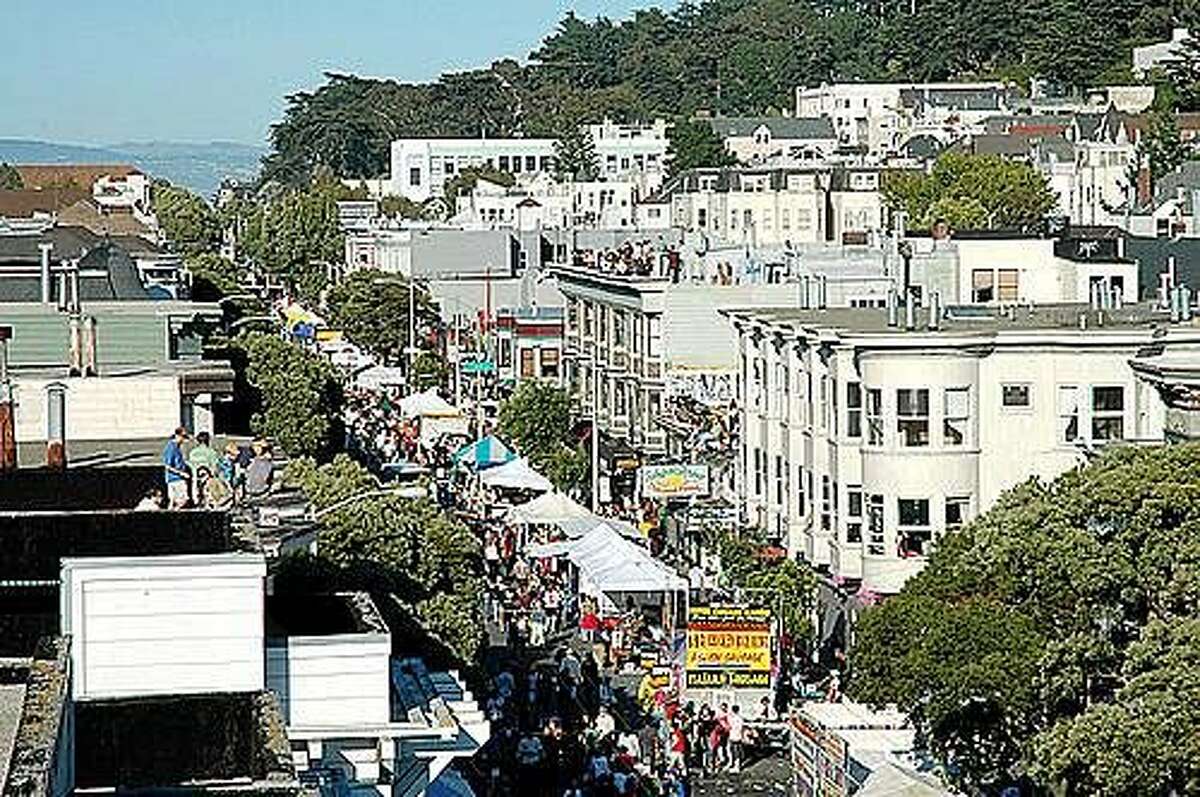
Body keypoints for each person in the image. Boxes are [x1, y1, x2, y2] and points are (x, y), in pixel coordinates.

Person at [162, 426, 190, 509]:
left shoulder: (176, 447)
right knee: (182, 500)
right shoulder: (171, 447)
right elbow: (167, 466)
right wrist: (182, 473)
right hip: (175, 479)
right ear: (177, 436)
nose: (184, 440)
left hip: (176, 478)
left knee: (175, 501)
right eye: (183, 437)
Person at [727, 704, 746, 773]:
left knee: (735, 751)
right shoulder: (740, 718)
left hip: (733, 736)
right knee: (736, 751)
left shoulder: (732, 718)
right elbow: (741, 728)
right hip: (738, 736)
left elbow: (730, 726)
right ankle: (736, 765)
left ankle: (737, 767)